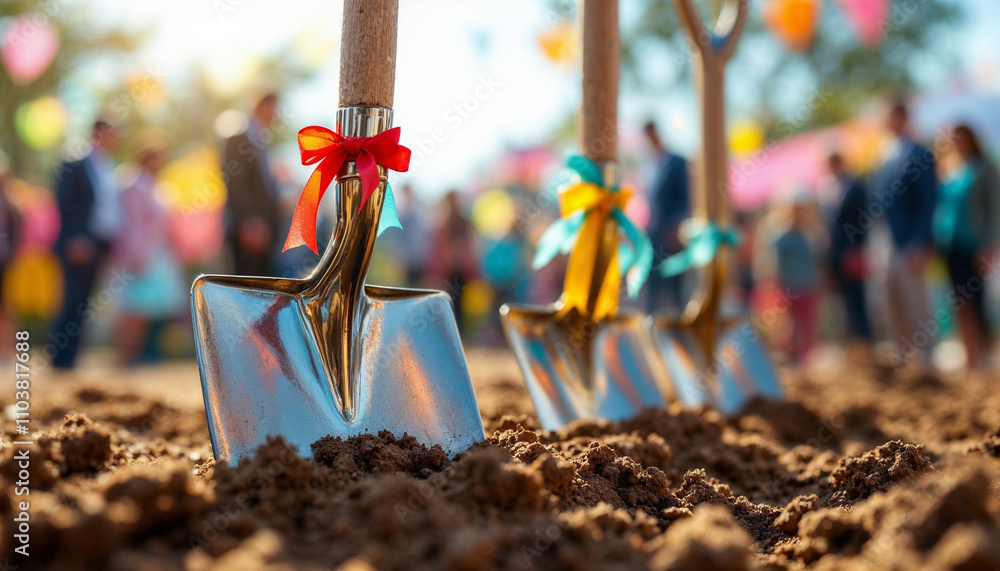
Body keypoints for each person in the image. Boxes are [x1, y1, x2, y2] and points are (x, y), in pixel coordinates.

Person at [50, 118, 123, 369]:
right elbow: (66, 202)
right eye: (114, 132)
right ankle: (59, 359)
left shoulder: (106, 165)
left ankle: (70, 359)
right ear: (99, 132)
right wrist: (75, 237)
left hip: (99, 242)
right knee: (72, 300)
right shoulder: (77, 161)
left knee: (83, 303)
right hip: (80, 241)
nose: (118, 137)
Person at [874, 100, 937, 368]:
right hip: (885, 243)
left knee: (915, 307)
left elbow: (928, 202)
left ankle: (925, 362)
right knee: (891, 305)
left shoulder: (920, 154)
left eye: (889, 116)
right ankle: (902, 360)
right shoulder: (884, 155)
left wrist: (919, 243)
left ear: (901, 117)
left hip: (909, 243)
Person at [114, 130, 186, 365]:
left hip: (158, 253)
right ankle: (128, 356)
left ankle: (145, 354)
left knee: (152, 306)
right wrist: (136, 254)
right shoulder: (133, 183)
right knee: (136, 307)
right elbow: (131, 222)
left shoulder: (155, 184)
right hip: (141, 254)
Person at [933, 124, 1000, 371]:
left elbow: (994, 210)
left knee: (978, 303)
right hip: (950, 246)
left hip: (974, 246)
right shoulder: (949, 170)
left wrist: (989, 246)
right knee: (960, 303)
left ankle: (986, 357)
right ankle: (970, 357)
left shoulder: (985, 168)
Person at [223, 92, 281, 276]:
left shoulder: (263, 141)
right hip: (249, 231)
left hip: (266, 231)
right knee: (245, 291)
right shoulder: (238, 139)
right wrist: (249, 222)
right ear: (262, 107)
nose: (276, 113)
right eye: (274, 107)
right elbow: (234, 182)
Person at [824, 152, 873, 343]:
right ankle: (851, 343)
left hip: (852, 253)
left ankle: (864, 343)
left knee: (858, 300)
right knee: (842, 304)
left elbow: (863, 221)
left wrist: (856, 249)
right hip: (835, 256)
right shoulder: (827, 188)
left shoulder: (855, 187)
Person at [642, 120, 690, 312]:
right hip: (653, 235)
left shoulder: (676, 162)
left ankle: (676, 332)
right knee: (652, 288)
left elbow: (685, 198)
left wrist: (678, 225)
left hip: (671, 234)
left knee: (674, 288)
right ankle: (650, 329)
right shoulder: (648, 165)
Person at [770, 193, 821, 364]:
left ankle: (806, 359)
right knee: (789, 327)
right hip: (789, 287)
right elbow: (775, 265)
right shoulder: (781, 237)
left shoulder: (810, 235)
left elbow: (818, 261)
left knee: (807, 326)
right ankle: (793, 358)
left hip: (808, 286)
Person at [427, 190, 478, 331]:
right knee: (447, 301)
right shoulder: (444, 223)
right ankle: (449, 330)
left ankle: (457, 331)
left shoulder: (461, 222)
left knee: (458, 302)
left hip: (460, 269)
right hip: (448, 269)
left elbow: (469, 244)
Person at [0, 151, 22, 359]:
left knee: (5, 306)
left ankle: (6, 351)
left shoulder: (9, 202)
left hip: (3, 261)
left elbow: (16, 230)